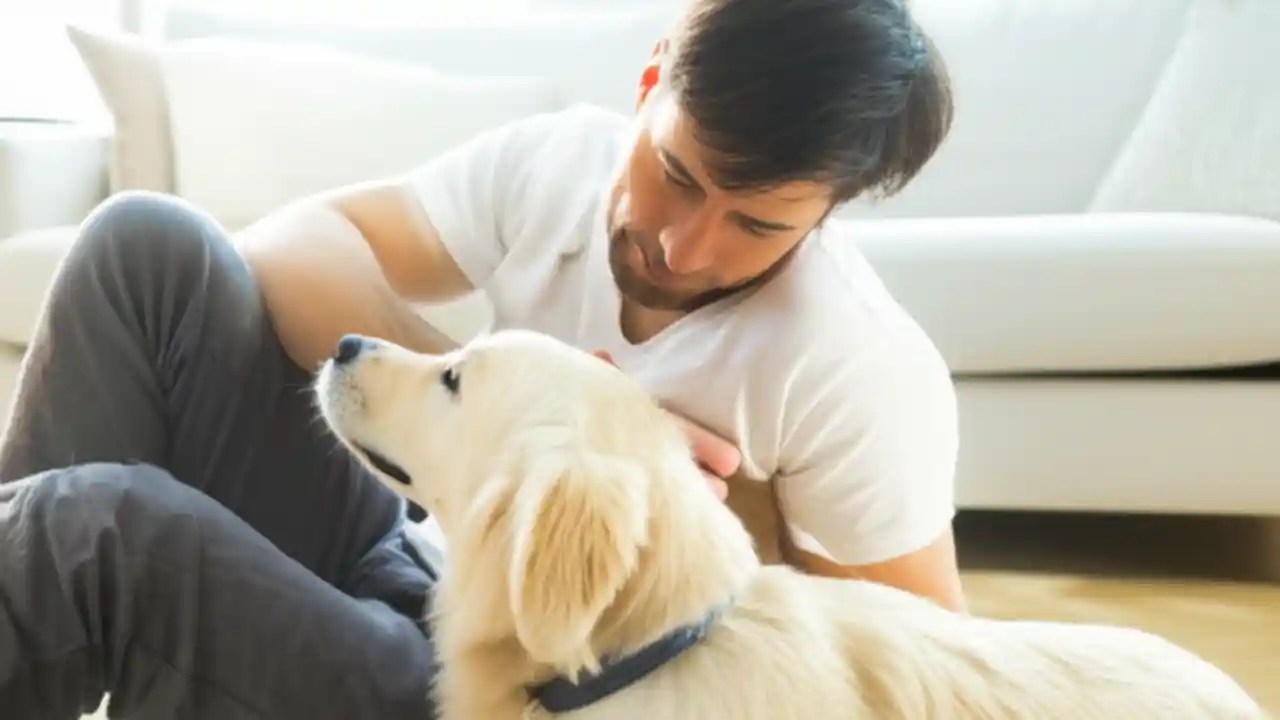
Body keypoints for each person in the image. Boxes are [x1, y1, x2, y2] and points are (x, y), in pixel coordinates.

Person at [0, 0, 961, 717]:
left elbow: (917, 676)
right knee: (147, 249)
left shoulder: (850, 366)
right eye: (675, 174)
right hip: (411, 569)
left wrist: (680, 517)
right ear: (651, 80)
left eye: (756, 224)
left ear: (827, 210)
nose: (686, 246)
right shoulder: (562, 166)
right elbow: (297, 242)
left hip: (515, 690)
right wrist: (494, 397)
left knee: (102, 533)